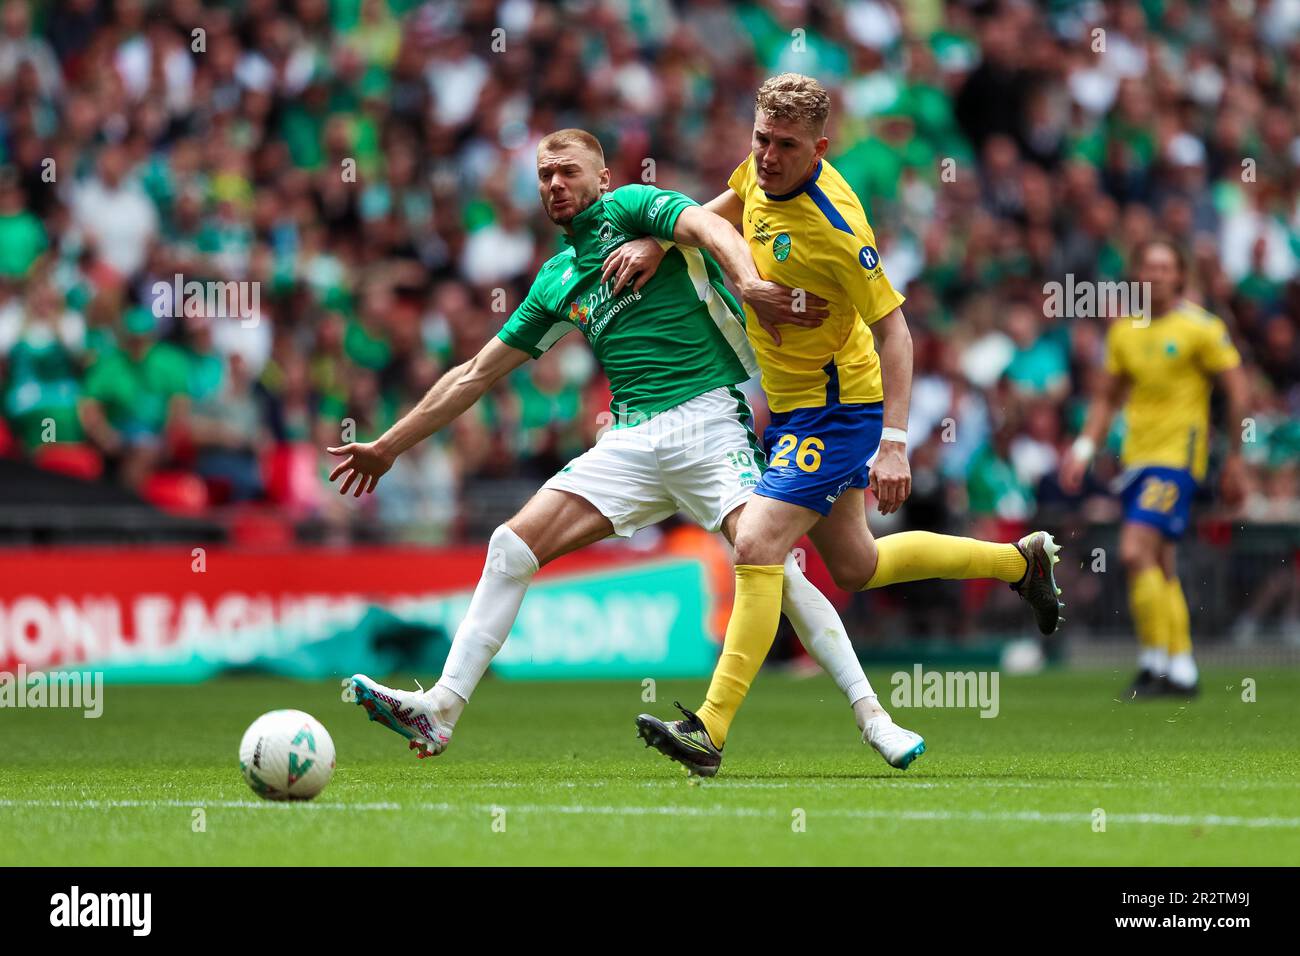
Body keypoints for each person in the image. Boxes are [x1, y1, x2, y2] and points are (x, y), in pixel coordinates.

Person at [326, 128, 926, 769]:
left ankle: (873, 717)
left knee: (770, 561)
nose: (556, 184)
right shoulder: (558, 280)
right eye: (545, 176)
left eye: (569, 172)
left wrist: (746, 279)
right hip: (632, 439)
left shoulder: (632, 206)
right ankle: (441, 710)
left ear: (603, 177)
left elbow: (710, 226)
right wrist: (389, 446)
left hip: (708, 421)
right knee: (511, 546)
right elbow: (475, 373)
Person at [634, 74, 1064, 778]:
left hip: (841, 410)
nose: (768, 157)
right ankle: (1021, 563)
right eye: (762, 140)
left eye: (786, 147)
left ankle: (709, 730)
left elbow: (896, 335)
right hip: (796, 402)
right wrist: (662, 242)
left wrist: (894, 446)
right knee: (856, 566)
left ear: (820, 148)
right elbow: (732, 201)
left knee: (757, 542)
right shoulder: (763, 171)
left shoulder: (838, 229)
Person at [1060, 238, 1249, 698]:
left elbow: (1239, 391)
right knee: (1161, 563)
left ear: (1180, 276)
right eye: (1150, 266)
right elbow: (1107, 397)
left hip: (1178, 460)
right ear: (1138, 274)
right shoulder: (1126, 331)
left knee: (1131, 550)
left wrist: (1238, 458)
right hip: (1137, 461)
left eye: (1166, 267)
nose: (1158, 275)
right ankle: (1180, 668)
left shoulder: (1201, 328)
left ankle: (1153, 662)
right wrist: (1084, 448)